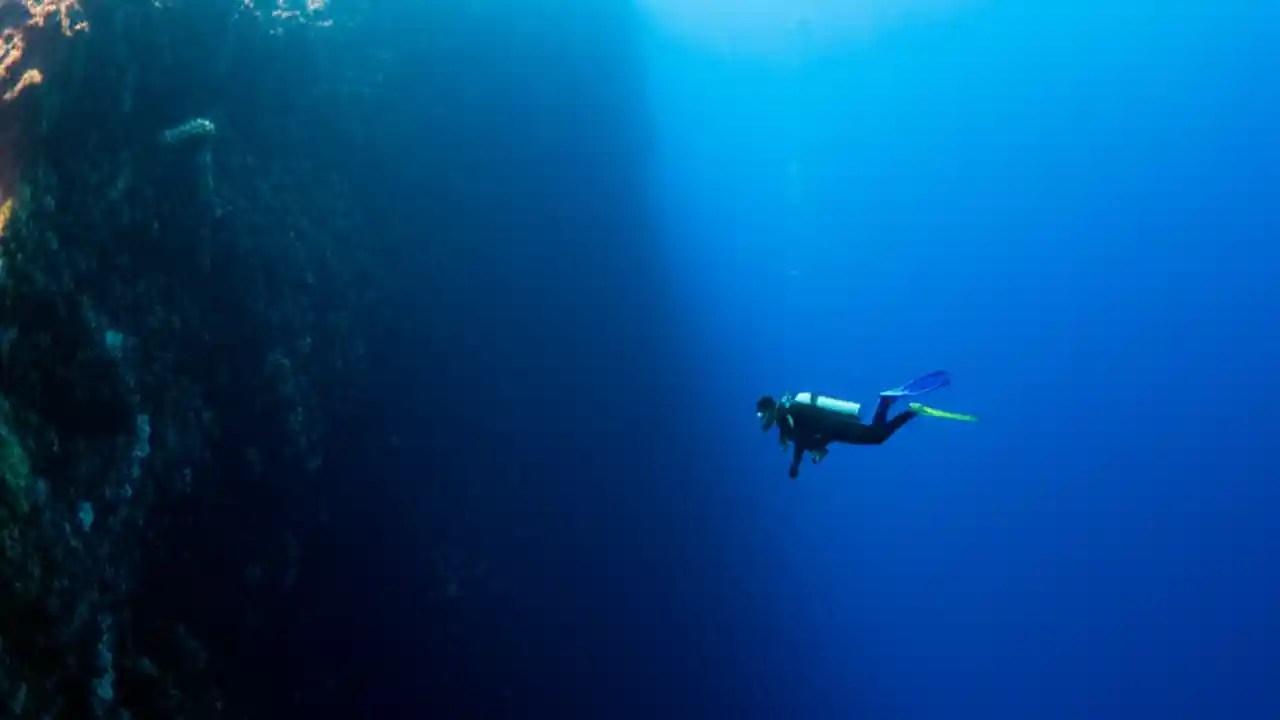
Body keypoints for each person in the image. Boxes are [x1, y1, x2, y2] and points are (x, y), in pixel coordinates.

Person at [756, 371, 970, 479]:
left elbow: (802, 440)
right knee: (875, 435)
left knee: (877, 437)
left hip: (836, 426)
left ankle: (902, 408)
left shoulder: (784, 417)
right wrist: (817, 451)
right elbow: (807, 436)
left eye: (761, 416)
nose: (762, 421)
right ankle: (893, 406)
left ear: (769, 409)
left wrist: (795, 465)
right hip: (836, 427)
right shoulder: (787, 414)